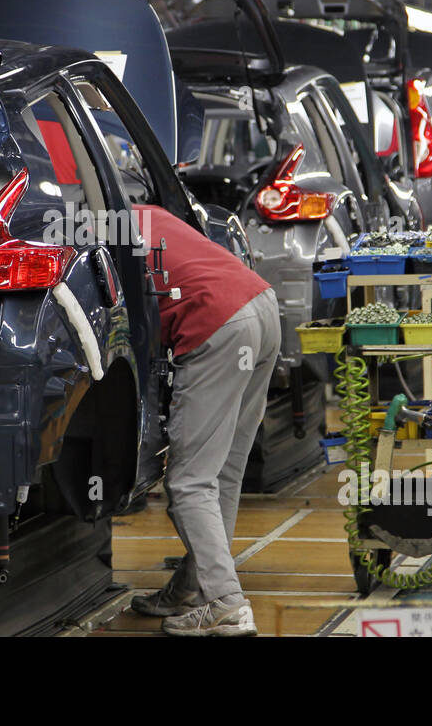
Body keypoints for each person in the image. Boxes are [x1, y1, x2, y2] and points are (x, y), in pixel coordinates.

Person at [129, 203, 280, 636]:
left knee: (189, 480)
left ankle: (226, 604)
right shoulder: (146, 211)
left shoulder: (91, 232)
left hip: (220, 324)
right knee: (224, 471)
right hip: (262, 307)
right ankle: (190, 587)